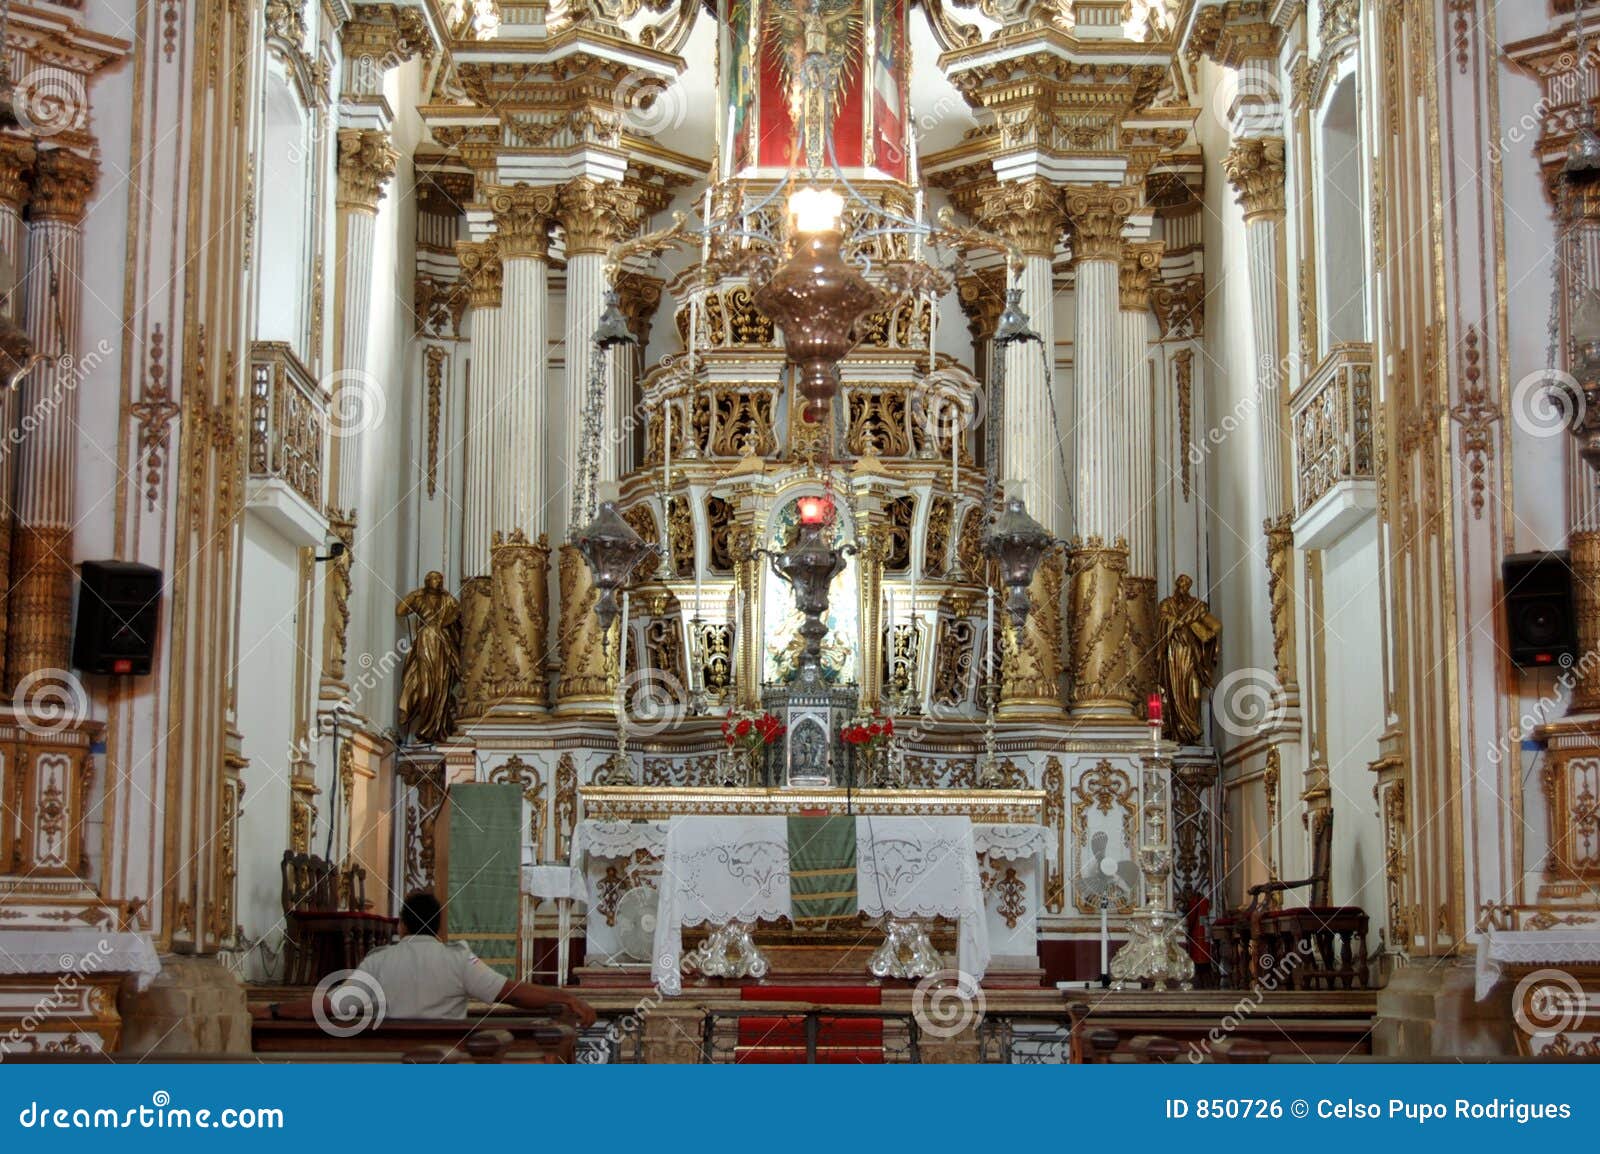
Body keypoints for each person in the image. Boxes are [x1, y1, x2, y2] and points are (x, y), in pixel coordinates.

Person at [265, 893, 596, 1027]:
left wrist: (273, 1010)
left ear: (402, 924)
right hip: (447, 1065)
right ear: (440, 927)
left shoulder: (378, 961)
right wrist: (565, 996)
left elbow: (332, 1005)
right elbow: (512, 993)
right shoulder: (458, 960)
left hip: (390, 1064)